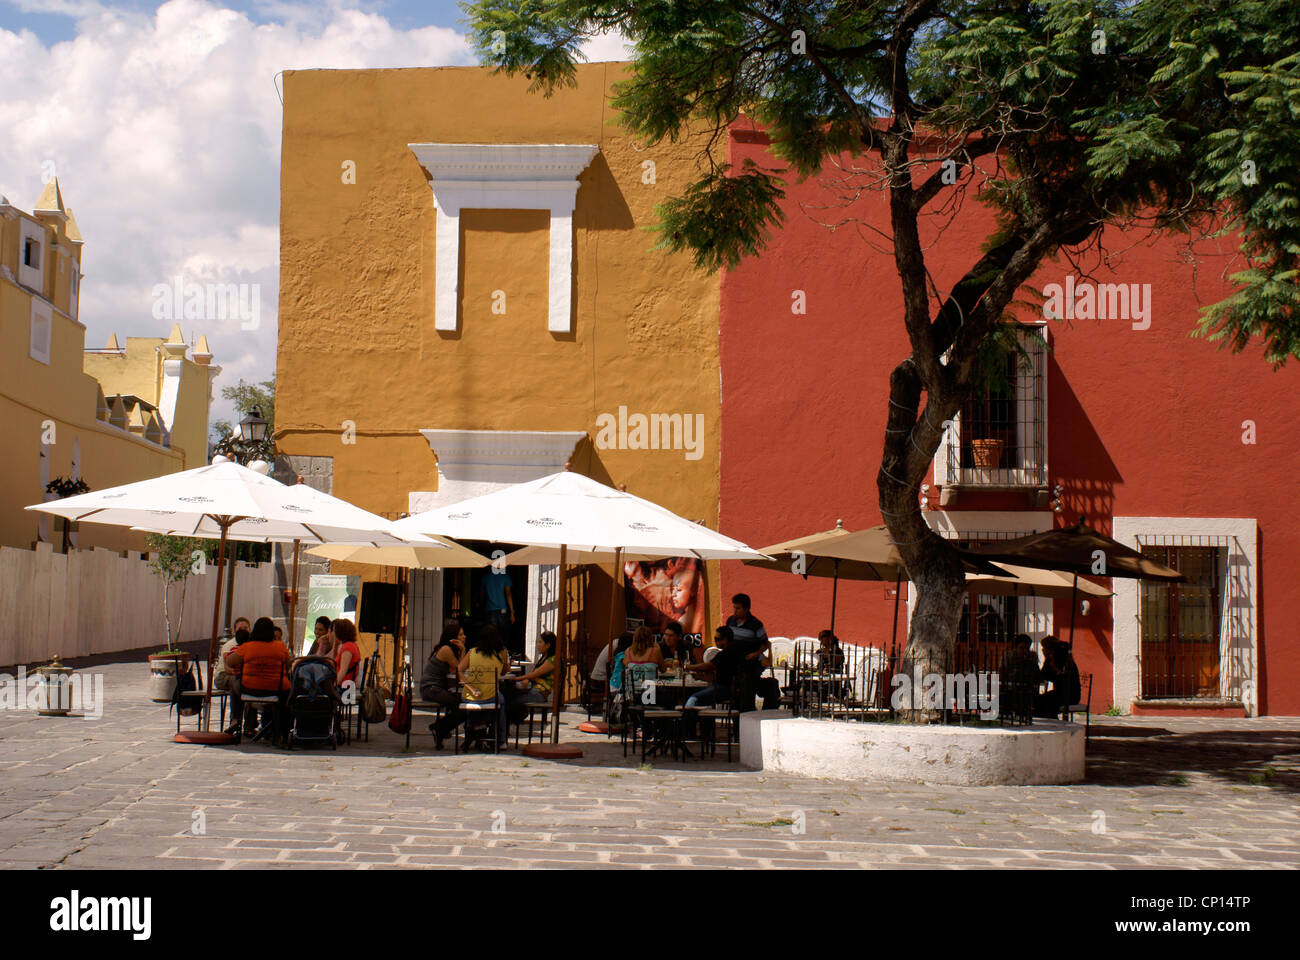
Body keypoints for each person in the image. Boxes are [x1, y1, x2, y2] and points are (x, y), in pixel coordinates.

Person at [224, 617, 291, 742]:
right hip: (276, 690)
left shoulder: (248, 647)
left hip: (249, 689)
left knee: (234, 683)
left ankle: (236, 719)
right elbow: (288, 664)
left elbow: (229, 661)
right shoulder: (280, 646)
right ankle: (281, 730)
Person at [458, 624, 510, 748]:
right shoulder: (500, 653)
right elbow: (503, 672)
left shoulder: (472, 652)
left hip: (469, 695)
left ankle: (473, 728)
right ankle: (500, 738)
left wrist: (470, 687)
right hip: (490, 696)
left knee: (477, 702)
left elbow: (459, 669)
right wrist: (507, 665)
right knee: (501, 702)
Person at [419, 620, 466, 749]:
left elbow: (455, 671)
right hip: (431, 688)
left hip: (437, 688)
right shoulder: (446, 650)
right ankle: (439, 728)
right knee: (462, 706)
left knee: (460, 704)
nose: (464, 637)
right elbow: (459, 670)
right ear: (453, 638)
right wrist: (463, 650)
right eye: (461, 635)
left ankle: (441, 730)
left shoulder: (449, 650)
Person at [507, 630, 557, 725]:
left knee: (511, 701)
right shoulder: (542, 658)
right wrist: (526, 679)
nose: (538, 645)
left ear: (548, 645)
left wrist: (516, 679)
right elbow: (533, 674)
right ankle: (516, 717)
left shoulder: (552, 660)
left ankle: (506, 723)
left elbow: (534, 674)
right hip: (532, 689)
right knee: (510, 694)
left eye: (540, 642)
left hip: (539, 693)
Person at [217, 626, 251, 736]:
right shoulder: (249, 649)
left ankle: (235, 720)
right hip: (257, 683)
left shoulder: (233, 650)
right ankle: (249, 725)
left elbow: (228, 663)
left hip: (244, 681)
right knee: (241, 688)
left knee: (237, 688)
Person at [1035, 637, 1081, 718]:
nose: (1043, 650)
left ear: (1051, 650)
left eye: (1044, 648)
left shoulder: (1064, 660)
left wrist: (1056, 670)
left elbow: (1064, 681)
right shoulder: (1050, 660)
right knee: (1039, 700)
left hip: (1070, 695)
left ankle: (1052, 722)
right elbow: (1043, 675)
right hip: (1059, 693)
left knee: (1046, 702)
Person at [1001, 633, 1039, 721]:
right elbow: (1003, 673)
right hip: (1011, 689)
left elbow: (1036, 674)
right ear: (1016, 647)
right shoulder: (1008, 656)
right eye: (1022, 648)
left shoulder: (1032, 656)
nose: (1025, 650)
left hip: (1027, 689)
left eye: (1027, 648)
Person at [331, 618, 362, 690]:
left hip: (344, 686)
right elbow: (333, 662)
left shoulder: (348, 647)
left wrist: (333, 686)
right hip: (345, 685)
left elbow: (343, 670)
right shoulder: (350, 645)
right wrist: (335, 645)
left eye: (334, 631)